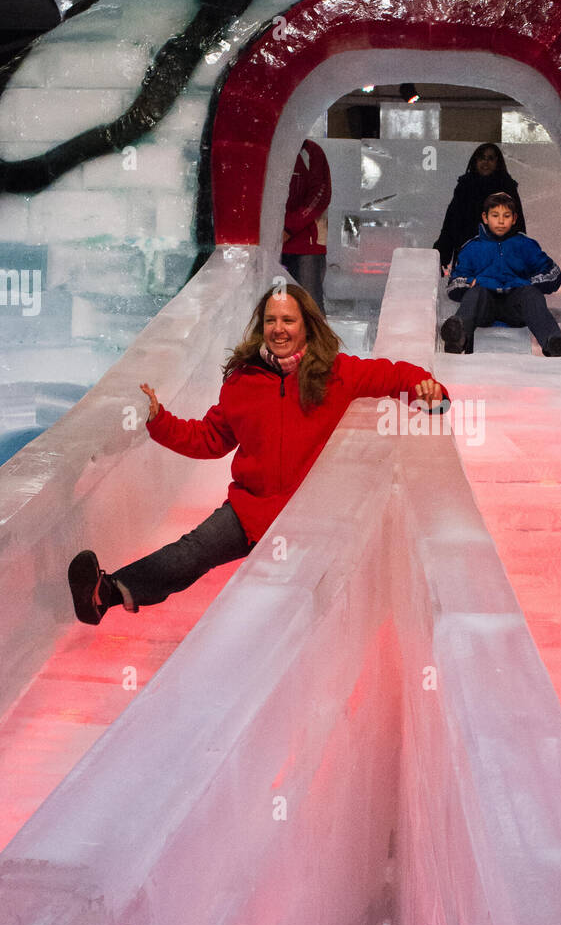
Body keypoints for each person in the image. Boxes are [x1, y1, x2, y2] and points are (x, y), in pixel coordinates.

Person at [67, 284, 449, 625]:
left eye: (288, 320)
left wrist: (429, 392)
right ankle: (107, 593)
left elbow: (393, 375)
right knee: (191, 553)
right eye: (270, 320)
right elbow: (210, 438)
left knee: (301, 602)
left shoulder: (337, 373)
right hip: (251, 509)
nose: (279, 329)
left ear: (306, 326)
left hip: (309, 516)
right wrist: (160, 420)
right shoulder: (243, 380)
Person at [440, 191, 561, 357]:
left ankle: (553, 341)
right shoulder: (473, 248)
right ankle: (456, 336)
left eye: (506, 216)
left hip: (516, 306)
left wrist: (530, 283)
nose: (501, 221)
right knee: (476, 292)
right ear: (485, 218)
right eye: (495, 215)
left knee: (531, 294)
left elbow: (553, 274)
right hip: (485, 308)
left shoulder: (525, 245)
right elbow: (454, 283)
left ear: (514, 219)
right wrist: (470, 282)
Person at [434, 143, 526, 273]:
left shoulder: (507, 187)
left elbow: (518, 224)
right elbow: (452, 222)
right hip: (467, 255)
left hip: (500, 258)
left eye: (490, 158)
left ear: (497, 162)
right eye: (482, 158)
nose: (485, 162)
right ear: (475, 160)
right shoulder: (465, 187)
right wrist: (442, 255)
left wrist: (518, 256)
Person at [280, 138, 330, 311]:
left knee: (310, 306)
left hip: (306, 246)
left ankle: (319, 338)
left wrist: (288, 228)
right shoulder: (269, 150)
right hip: (273, 244)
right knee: (277, 305)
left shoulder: (311, 152)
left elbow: (319, 196)